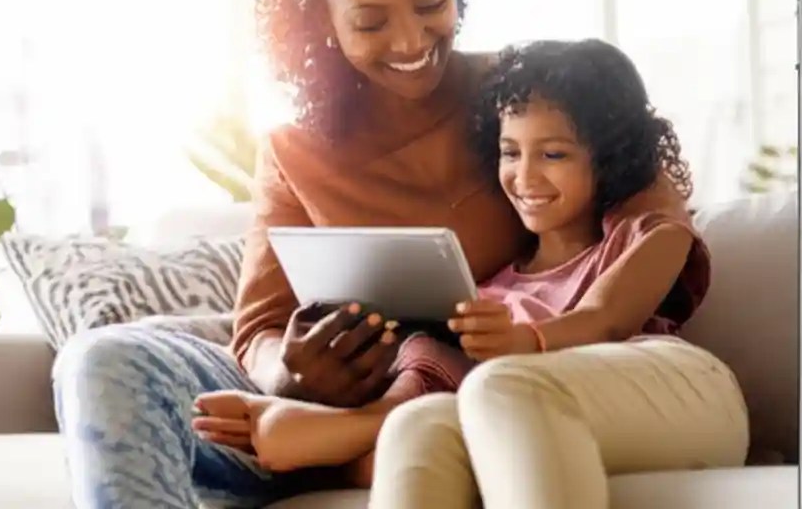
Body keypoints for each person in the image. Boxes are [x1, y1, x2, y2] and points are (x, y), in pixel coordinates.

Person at [51, 0, 707, 509]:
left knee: (423, 423)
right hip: (308, 405)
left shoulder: (531, 99)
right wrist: (292, 372)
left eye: (432, 4)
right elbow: (256, 332)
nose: (411, 39)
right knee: (102, 359)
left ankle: (348, 438)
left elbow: (655, 217)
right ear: (325, 26)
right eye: (370, 23)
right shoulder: (293, 152)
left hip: (460, 399)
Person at [189, 39, 750, 499]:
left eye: (553, 154)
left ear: (610, 159)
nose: (525, 176)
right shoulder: (495, 289)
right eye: (510, 152)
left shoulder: (646, 234)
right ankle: (360, 430)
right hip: (520, 408)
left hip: (666, 383)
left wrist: (526, 342)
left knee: (496, 383)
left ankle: (347, 430)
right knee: (420, 420)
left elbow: (608, 319)